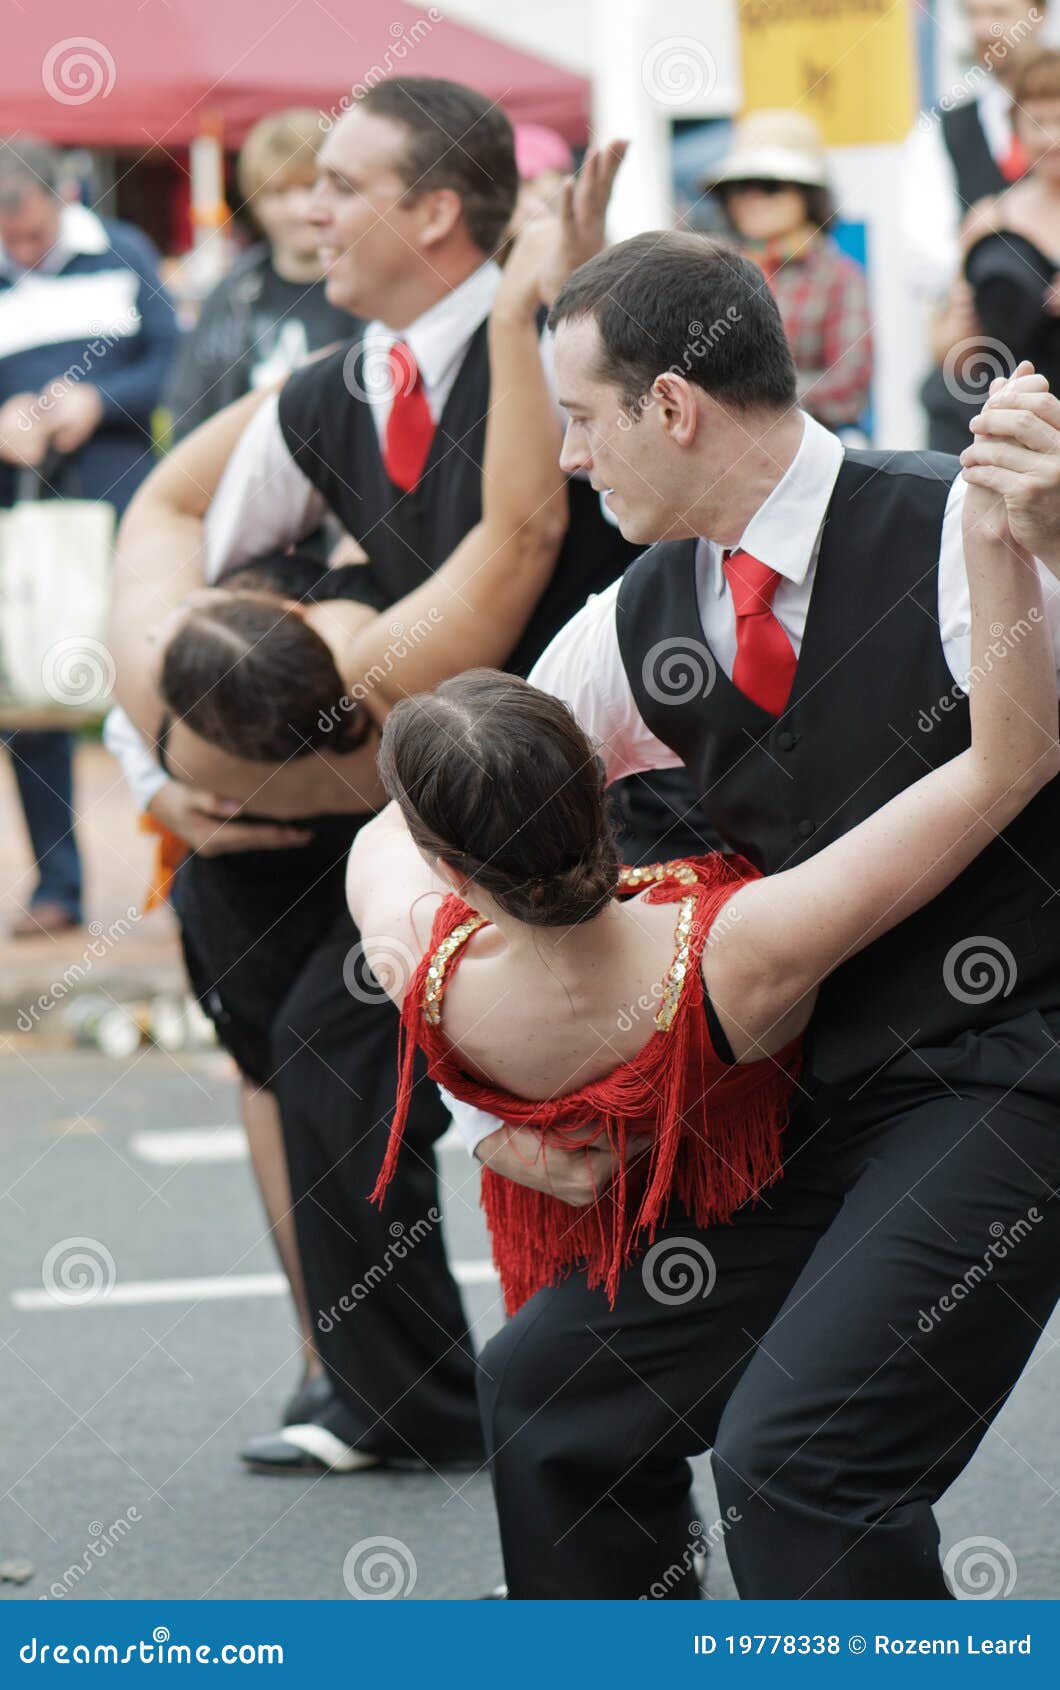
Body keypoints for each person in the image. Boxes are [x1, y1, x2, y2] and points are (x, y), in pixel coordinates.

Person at [424, 229, 1060, 1599]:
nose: (568, 457)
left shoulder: (962, 529)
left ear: (671, 405)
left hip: (1012, 1070)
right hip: (809, 1088)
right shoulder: (641, 609)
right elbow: (446, 815)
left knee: (803, 1458)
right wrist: (491, 1119)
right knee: (549, 1392)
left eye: (582, 418)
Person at [106, 97, 641, 1475]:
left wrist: (560, 294)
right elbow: (183, 565)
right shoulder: (327, 387)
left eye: (341, 186)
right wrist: (160, 764)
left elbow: (522, 539)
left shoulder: (560, 342)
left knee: (340, 1042)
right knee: (257, 974)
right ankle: (374, 1392)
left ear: (435, 212)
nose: (305, 209)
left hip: (566, 798)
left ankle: (466, 1411)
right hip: (388, 794)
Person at [0, 134, 177, 937]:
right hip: (26, 517)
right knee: (30, 691)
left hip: (126, 503)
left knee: (157, 674)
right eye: (8, 239)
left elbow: (173, 364)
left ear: (61, 198)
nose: (21, 250)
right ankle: (59, 886)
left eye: (32, 233)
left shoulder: (121, 250)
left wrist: (96, 402)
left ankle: (187, 871)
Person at [903, 0, 1047, 450]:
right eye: (973, 15)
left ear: (1039, 14)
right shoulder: (944, 130)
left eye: (999, 13)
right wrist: (987, 252)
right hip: (979, 384)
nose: (984, 29)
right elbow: (926, 260)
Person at [164, 108, 355, 442]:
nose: (298, 210)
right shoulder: (230, 297)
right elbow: (189, 412)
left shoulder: (374, 289)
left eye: (309, 186)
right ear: (255, 201)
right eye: (278, 192)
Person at [707, 110, 871, 435]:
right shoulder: (711, 270)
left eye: (770, 186)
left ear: (808, 195)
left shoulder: (838, 276)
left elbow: (846, 388)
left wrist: (748, 396)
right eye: (740, 187)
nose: (752, 198)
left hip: (811, 442)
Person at [954, 50, 1060, 396]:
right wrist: (966, 316)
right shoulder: (989, 218)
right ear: (1016, 128)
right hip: (1014, 405)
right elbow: (952, 356)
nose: (1051, 138)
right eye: (1037, 122)